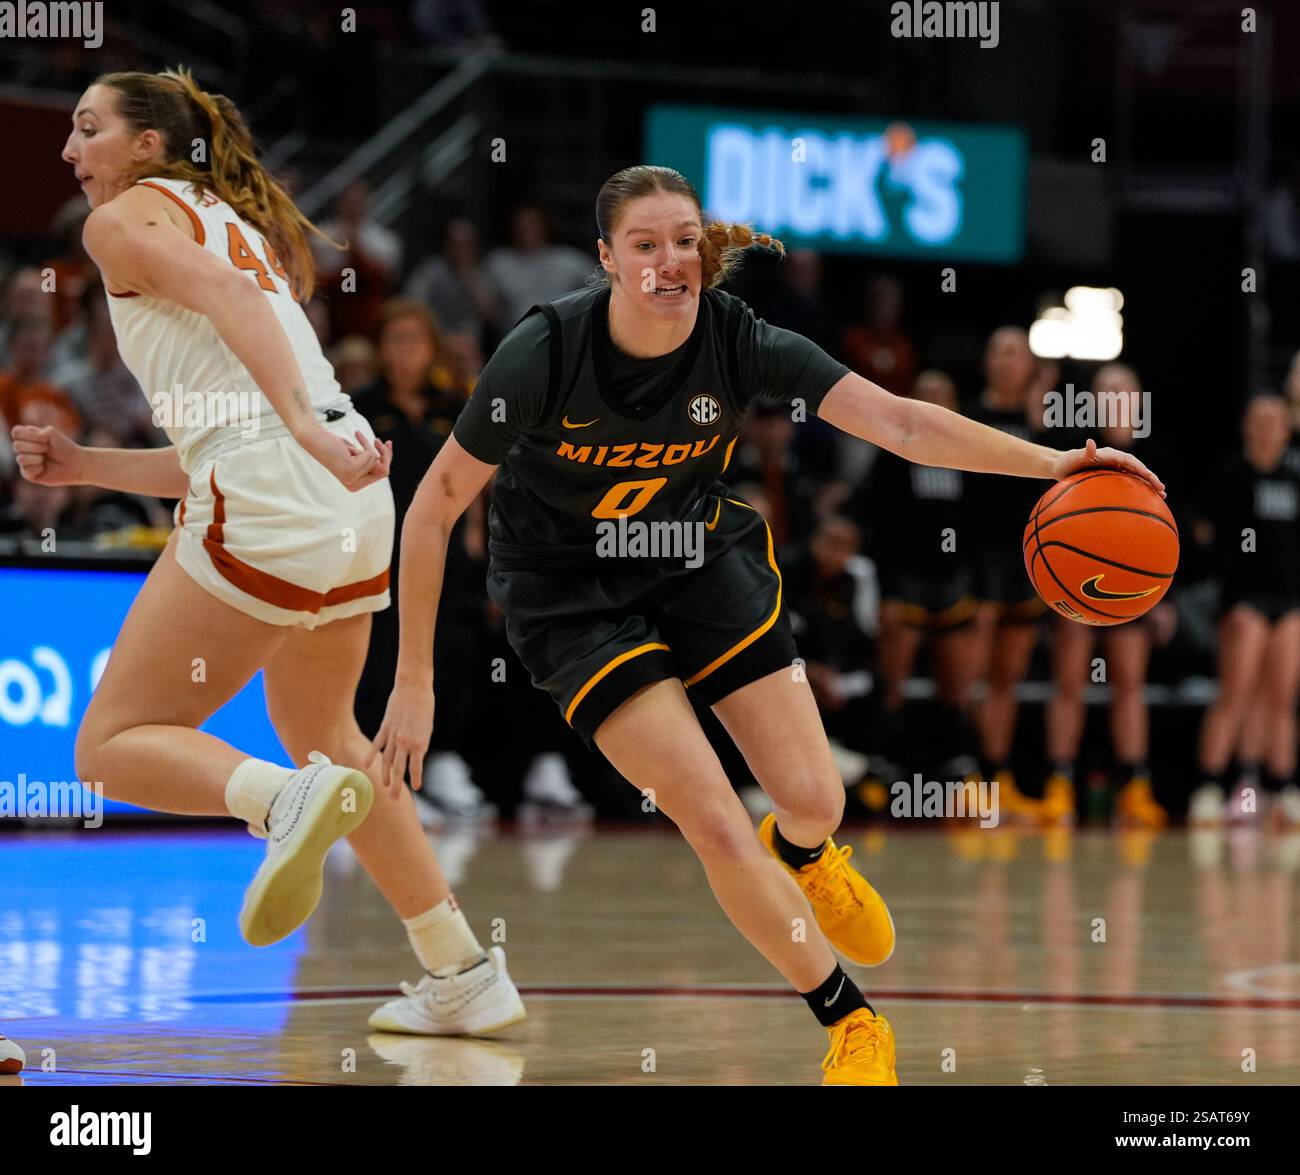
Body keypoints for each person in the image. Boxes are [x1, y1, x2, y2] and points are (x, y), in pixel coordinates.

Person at [372, 164, 1163, 1085]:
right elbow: (429, 512)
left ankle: (804, 850)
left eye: (681, 240)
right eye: (643, 244)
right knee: (709, 812)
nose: (668, 261)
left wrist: (1054, 465)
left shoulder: (739, 339)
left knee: (814, 796)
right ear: (605, 259)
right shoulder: (543, 353)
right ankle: (850, 1022)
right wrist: (414, 679)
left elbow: (901, 422)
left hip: (694, 554)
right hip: (568, 592)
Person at [8, 70, 524, 1074]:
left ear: (150, 145)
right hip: (350, 488)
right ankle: (460, 970)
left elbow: (239, 347)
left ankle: (278, 802)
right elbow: (219, 427)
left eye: (88, 129)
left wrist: (291, 428)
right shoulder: (222, 217)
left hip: (286, 477)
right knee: (331, 733)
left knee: (110, 745)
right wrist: (87, 467)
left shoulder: (117, 226)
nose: (71, 152)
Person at [1039, 364, 1167, 828]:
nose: (1115, 398)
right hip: (1078, 580)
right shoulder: (1080, 451)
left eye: (1124, 391)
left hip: (1135, 583)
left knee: (1130, 683)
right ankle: (1059, 784)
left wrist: (1168, 597)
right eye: (1106, 391)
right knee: (1070, 680)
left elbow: (1171, 537)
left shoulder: (1156, 452)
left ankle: (1135, 787)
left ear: (1138, 401)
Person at [857, 370, 981, 785]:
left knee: (957, 685)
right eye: (923, 393)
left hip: (955, 580)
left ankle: (958, 765)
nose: (931, 400)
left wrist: (978, 587)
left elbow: (983, 524)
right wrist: (887, 590)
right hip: (906, 580)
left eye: (940, 394)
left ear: (954, 405)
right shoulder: (890, 453)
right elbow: (877, 525)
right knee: (893, 679)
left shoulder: (972, 452)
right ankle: (883, 765)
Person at [1190, 395, 1300, 827]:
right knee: (1236, 693)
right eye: (1259, 420)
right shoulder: (1230, 477)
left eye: (1275, 421)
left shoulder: (1294, 479)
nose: (1267, 428)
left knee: (1281, 699)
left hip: (1290, 602)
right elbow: (1210, 540)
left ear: (1287, 429)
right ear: (1246, 427)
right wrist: (1231, 601)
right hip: (1245, 602)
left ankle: (1282, 788)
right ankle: (1209, 784)